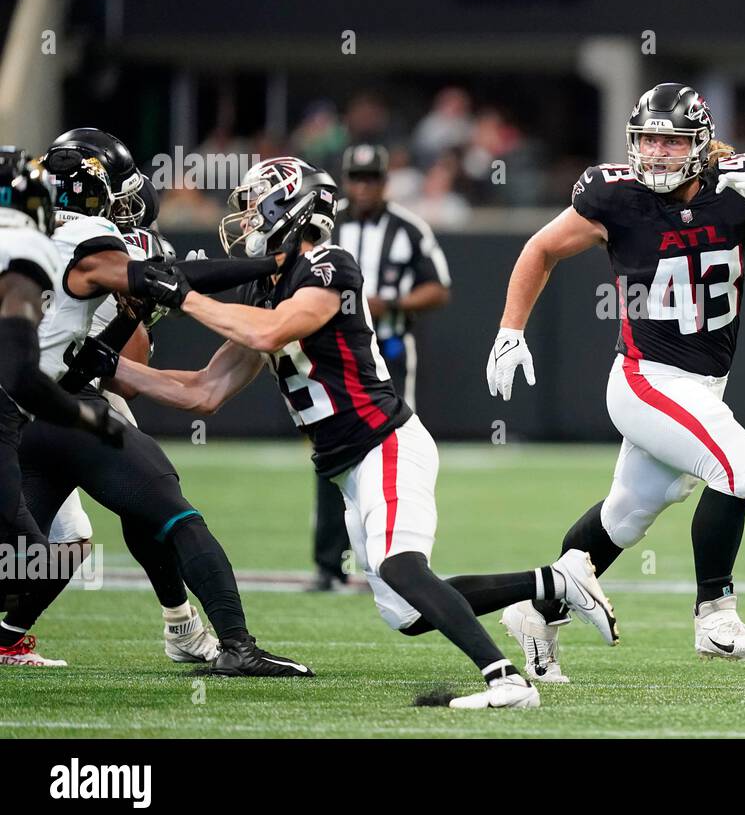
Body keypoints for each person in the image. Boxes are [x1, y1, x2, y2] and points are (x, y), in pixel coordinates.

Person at [113, 157, 617, 709]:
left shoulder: (329, 265)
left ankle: (507, 681)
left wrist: (181, 295)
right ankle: (555, 582)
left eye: (256, 206)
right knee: (407, 611)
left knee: (404, 568)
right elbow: (201, 392)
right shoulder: (265, 290)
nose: (247, 220)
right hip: (350, 469)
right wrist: (102, 365)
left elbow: (275, 331)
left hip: (386, 444)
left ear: (292, 205)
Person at [485, 83, 745, 682]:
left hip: (703, 384)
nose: (657, 153)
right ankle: (715, 616)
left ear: (698, 146)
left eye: (672, 141)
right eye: (648, 139)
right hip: (646, 378)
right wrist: (510, 329)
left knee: (625, 516)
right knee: (740, 469)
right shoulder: (614, 197)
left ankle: (537, 611)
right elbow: (540, 249)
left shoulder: (737, 187)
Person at [7, 134, 314, 676]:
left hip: (16, 419)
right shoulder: (91, 237)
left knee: (40, 553)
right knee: (175, 513)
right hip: (59, 404)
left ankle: (4, 634)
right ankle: (237, 645)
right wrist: (269, 264)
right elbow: (173, 280)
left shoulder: (19, 233)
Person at [0, 146, 126, 666]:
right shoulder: (29, 247)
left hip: (14, 416)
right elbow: (22, 374)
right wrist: (83, 415)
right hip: (14, 411)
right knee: (29, 554)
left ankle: (6, 638)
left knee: (54, 545)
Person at [309, 143, 452, 592]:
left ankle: (395, 560)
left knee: (391, 450)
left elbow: (439, 288)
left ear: (385, 182)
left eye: (371, 178)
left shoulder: (409, 229)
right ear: (346, 180)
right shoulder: (327, 228)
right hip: (335, 354)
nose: (363, 187)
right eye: (356, 178)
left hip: (389, 347)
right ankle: (329, 564)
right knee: (334, 447)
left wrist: (388, 302)